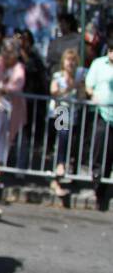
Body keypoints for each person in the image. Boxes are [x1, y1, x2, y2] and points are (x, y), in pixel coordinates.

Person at [0, 37, 27, 168]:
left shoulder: (19, 67)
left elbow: (17, 85)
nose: (8, 55)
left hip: (12, 109)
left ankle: (0, 165)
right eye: (6, 52)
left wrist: (2, 89)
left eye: (11, 52)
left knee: (7, 137)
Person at [49, 47, 84, 200]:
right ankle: (59, 167)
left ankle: (64, 172)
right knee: (63, 137)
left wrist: (79, 86)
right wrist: (71, 86)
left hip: (74, 113)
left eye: (73, 60)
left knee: (72, 144)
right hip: (61, 111)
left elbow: (82, 97)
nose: (70, 63)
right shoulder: (58, 76)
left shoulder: (79, 78)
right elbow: (54, 92)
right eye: (68, 60)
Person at [83, 28, 113, 211]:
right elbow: (88, 86)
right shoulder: (98, 64)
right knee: (100, 152)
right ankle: (98, 189)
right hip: (98, 114)